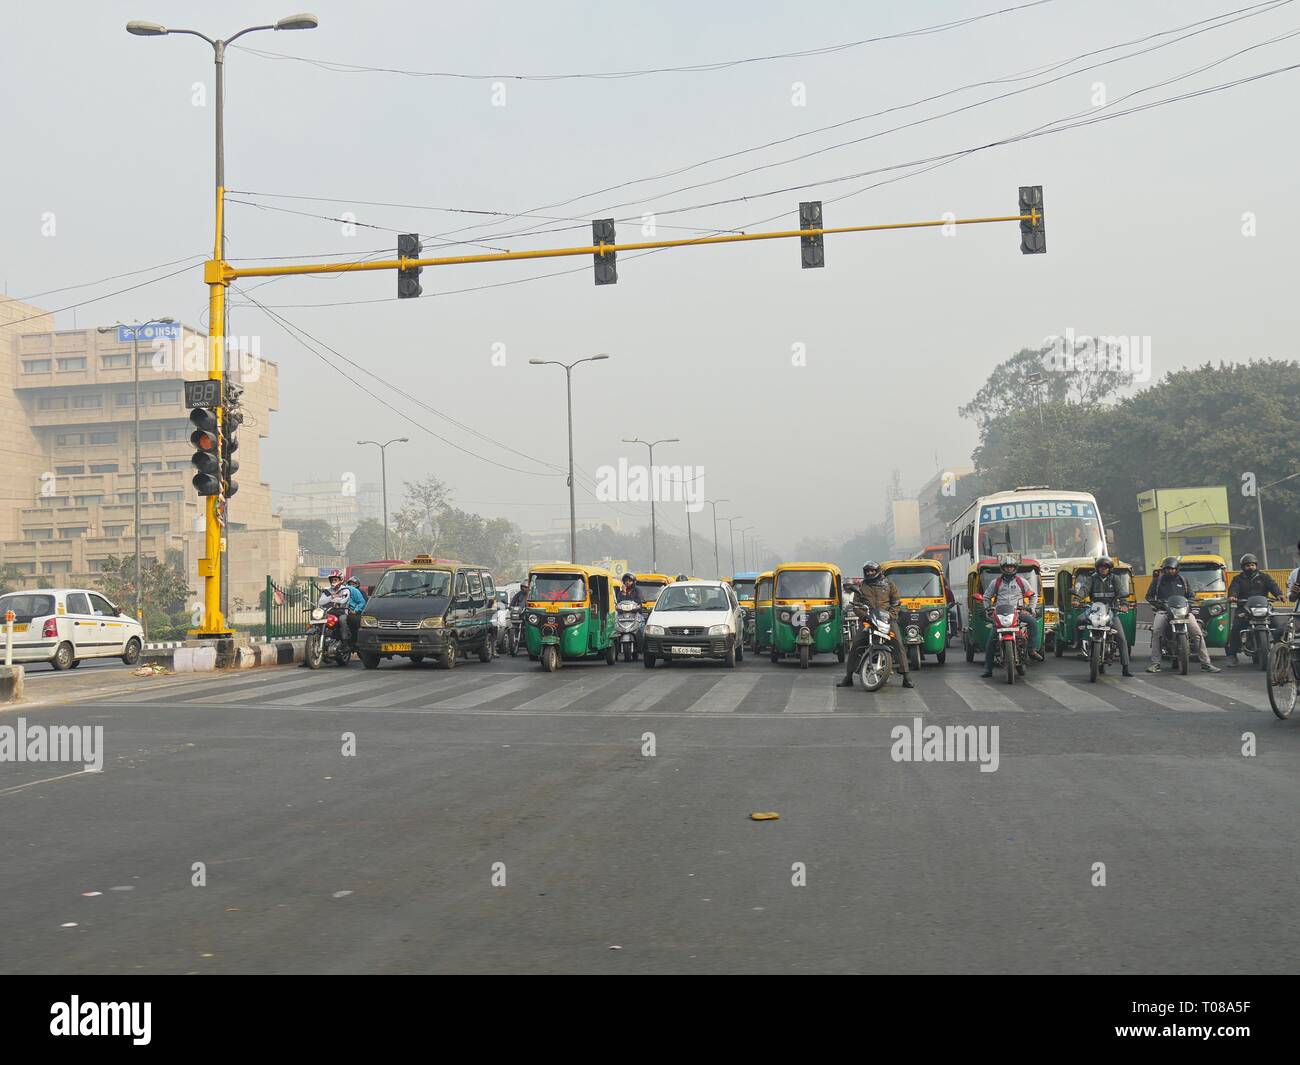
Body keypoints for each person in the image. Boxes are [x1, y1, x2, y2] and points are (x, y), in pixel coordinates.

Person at [839, 561, 913, 689]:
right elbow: (856, 605)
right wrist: (865, 616)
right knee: (856, 644)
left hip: (888, 620)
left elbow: (896, 603)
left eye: (872, 570)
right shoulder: (861, 586)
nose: (869, 573)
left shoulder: (889, 585)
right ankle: (848, 676)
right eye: (867, 571)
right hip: (869, 621)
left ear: (878, 571)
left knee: (898, 644)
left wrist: (891, 616)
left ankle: (906, 677)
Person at [1146, 556, 1220, 672]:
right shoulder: (1157, 582)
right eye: (1167, 569)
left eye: (1172, 569)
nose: (1170, 571)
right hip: (1164, 611)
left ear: (1177, 569)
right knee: (1156, 632)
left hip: (1183, 611)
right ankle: (1156, 663)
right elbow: (1149, 596)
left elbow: (1191, 596)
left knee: (1197, 633)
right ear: (1163, 570)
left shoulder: (1183, 581)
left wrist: (1189, 603)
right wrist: (1158, 604)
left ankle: (1206, 663)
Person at [980, 553, 1041, 677]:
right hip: (1000, 614)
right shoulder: (995, 583)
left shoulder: (1021, 581)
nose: (1009, 569)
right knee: (991, 640)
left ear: (1015, 568)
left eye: (1011, 567)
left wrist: (1031, 608)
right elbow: (986, 597)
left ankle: (1031, 650)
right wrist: (988, 609)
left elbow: (1033, 595)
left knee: (1033, 622)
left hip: (1017, 613)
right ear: (1002, 568)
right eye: (1007, 567)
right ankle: (988, 669)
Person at [1073, 556, 1133, 677]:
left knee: (1121, 638)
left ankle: (1125, 667)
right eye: (1101, 567)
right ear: (1097, 568)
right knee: (1079, 620)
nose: (1103, 569)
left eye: (1105, 567)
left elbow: (1122, 592)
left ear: (1109, 569)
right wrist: (1077, 599)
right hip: (1094, 609)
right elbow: (1084, 589)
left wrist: (1124, 605)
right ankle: (1077, 642)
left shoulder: (1115, 579)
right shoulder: (1092, 578)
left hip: (1111, 610)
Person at [1225, 553, 1284, 666]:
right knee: (1236, 628)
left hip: (1263, 607)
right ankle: (1232, 655)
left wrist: (1279, 594)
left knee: (1278, 627)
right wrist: (1232, 596)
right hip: (1245, 608)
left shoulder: (1264, 577)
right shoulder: (1238, 579)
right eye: (1247, 565)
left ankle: (1282, 652)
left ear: (1256, 565)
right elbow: (1234, 589)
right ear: (1243, 567)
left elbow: (1273, 586)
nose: (1250, 567)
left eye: (1252, 565)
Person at [318, 571, 352, 650]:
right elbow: (321, 602)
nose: (333, 582)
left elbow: (343, 601)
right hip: (329, 611)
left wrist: (331, 599)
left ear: (341, 580)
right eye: (332, 580)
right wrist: (332, 597)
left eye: (335, 580)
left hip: (342, 611)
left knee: (342, 620)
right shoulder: (327, 590)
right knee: (319, 618)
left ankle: (345, 642)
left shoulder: (345, 589)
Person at [345, 577, 367, 647]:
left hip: (355, 613)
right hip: (343, 611)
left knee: (355, 622)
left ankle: (355, 641)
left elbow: (362, 603)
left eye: (353, 584)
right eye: (350, 584)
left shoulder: (360, 592)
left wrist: (355, 611)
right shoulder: (344, 591)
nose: (351, 585)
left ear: (357, 585)